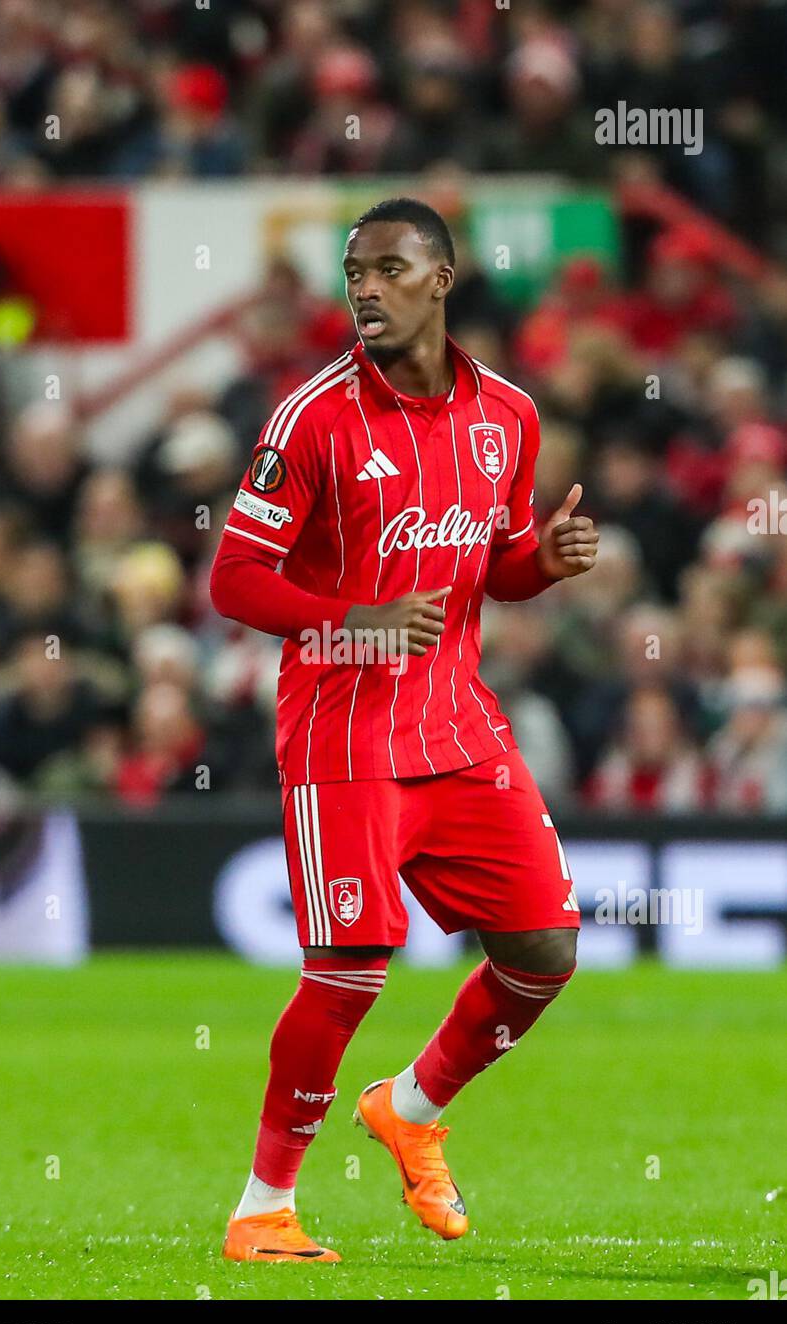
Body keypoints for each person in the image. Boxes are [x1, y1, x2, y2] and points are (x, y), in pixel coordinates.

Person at [210, 198, 599, 1263]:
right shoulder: (312, 419)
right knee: (349, 965)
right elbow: (233, 577)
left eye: (387, 268)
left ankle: (412, 1106)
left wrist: (542, 564)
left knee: (543, 950)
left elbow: (497, 561)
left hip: (456, 725)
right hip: (341, 728)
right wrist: (355, 619)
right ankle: (261, 1209)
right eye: (352, 271)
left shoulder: (507, 415)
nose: (364, 289)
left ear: (442, 278)